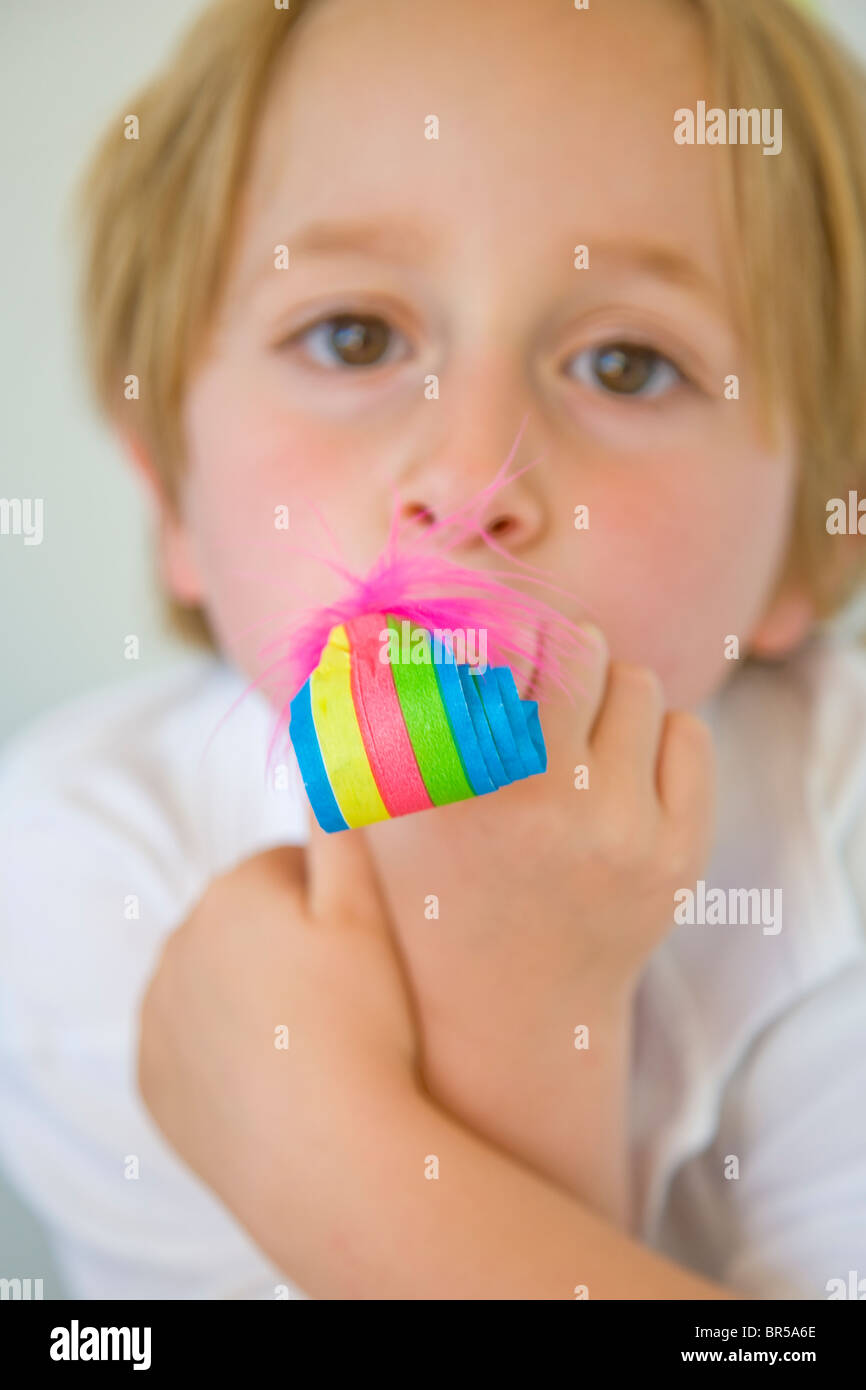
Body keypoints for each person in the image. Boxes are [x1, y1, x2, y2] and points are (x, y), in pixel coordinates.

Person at [2, 0, 866, 1300]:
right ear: (172, 495)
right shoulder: (85, 869)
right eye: (354, 337)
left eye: (625, 364)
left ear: (815, 540)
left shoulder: (834, 834)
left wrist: (349, 1152)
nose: (469, 475)